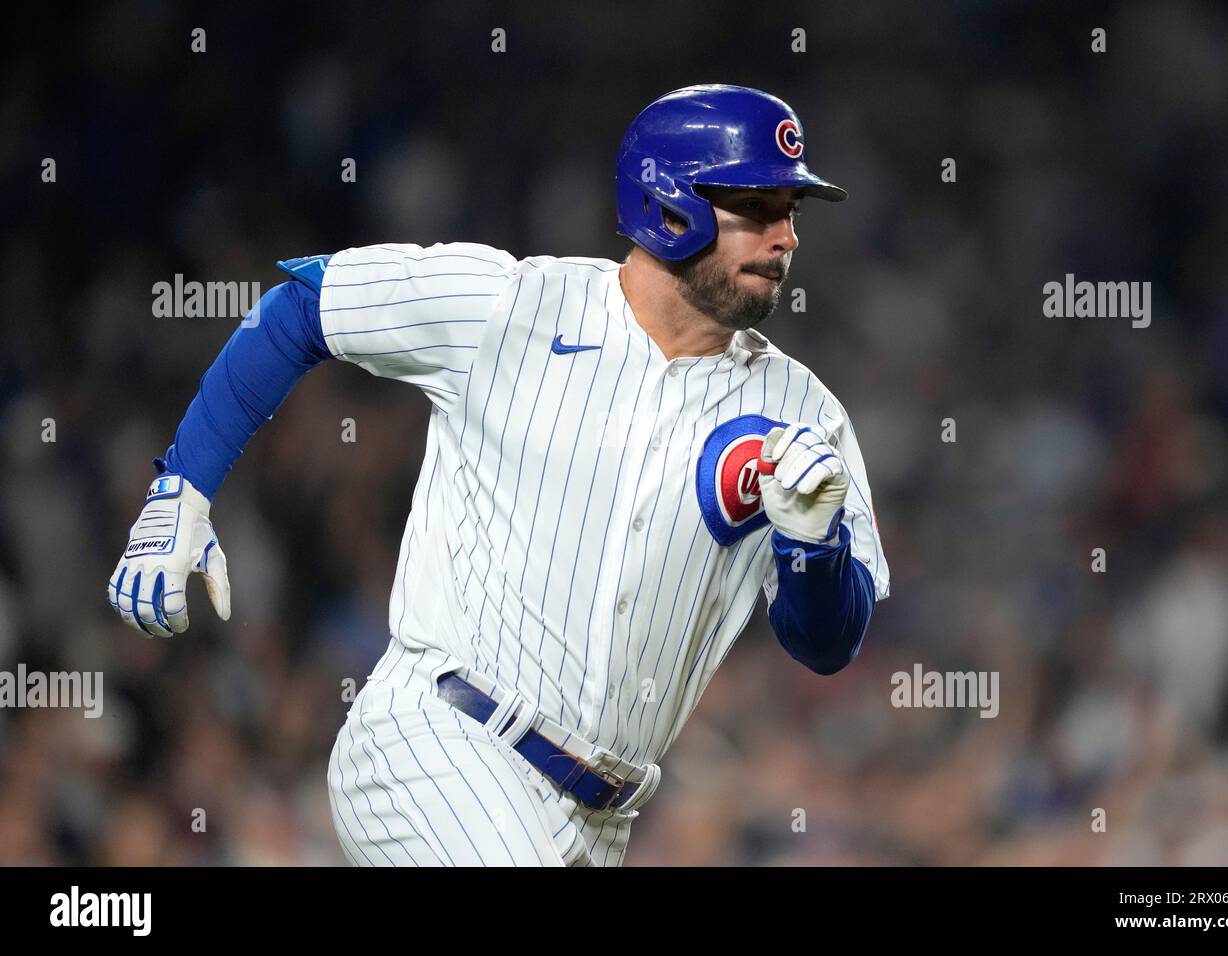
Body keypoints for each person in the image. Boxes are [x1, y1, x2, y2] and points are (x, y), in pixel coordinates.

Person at [106, 84, 891, 866]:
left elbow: (826, 646)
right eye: (757, 207)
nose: (785, 237)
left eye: (792, 210)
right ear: (669, 202)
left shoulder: (804, 415)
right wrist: (184, 485)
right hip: (439, 740)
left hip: (599, 820)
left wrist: (813, 548)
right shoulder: (513, 305)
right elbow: (301, 310)